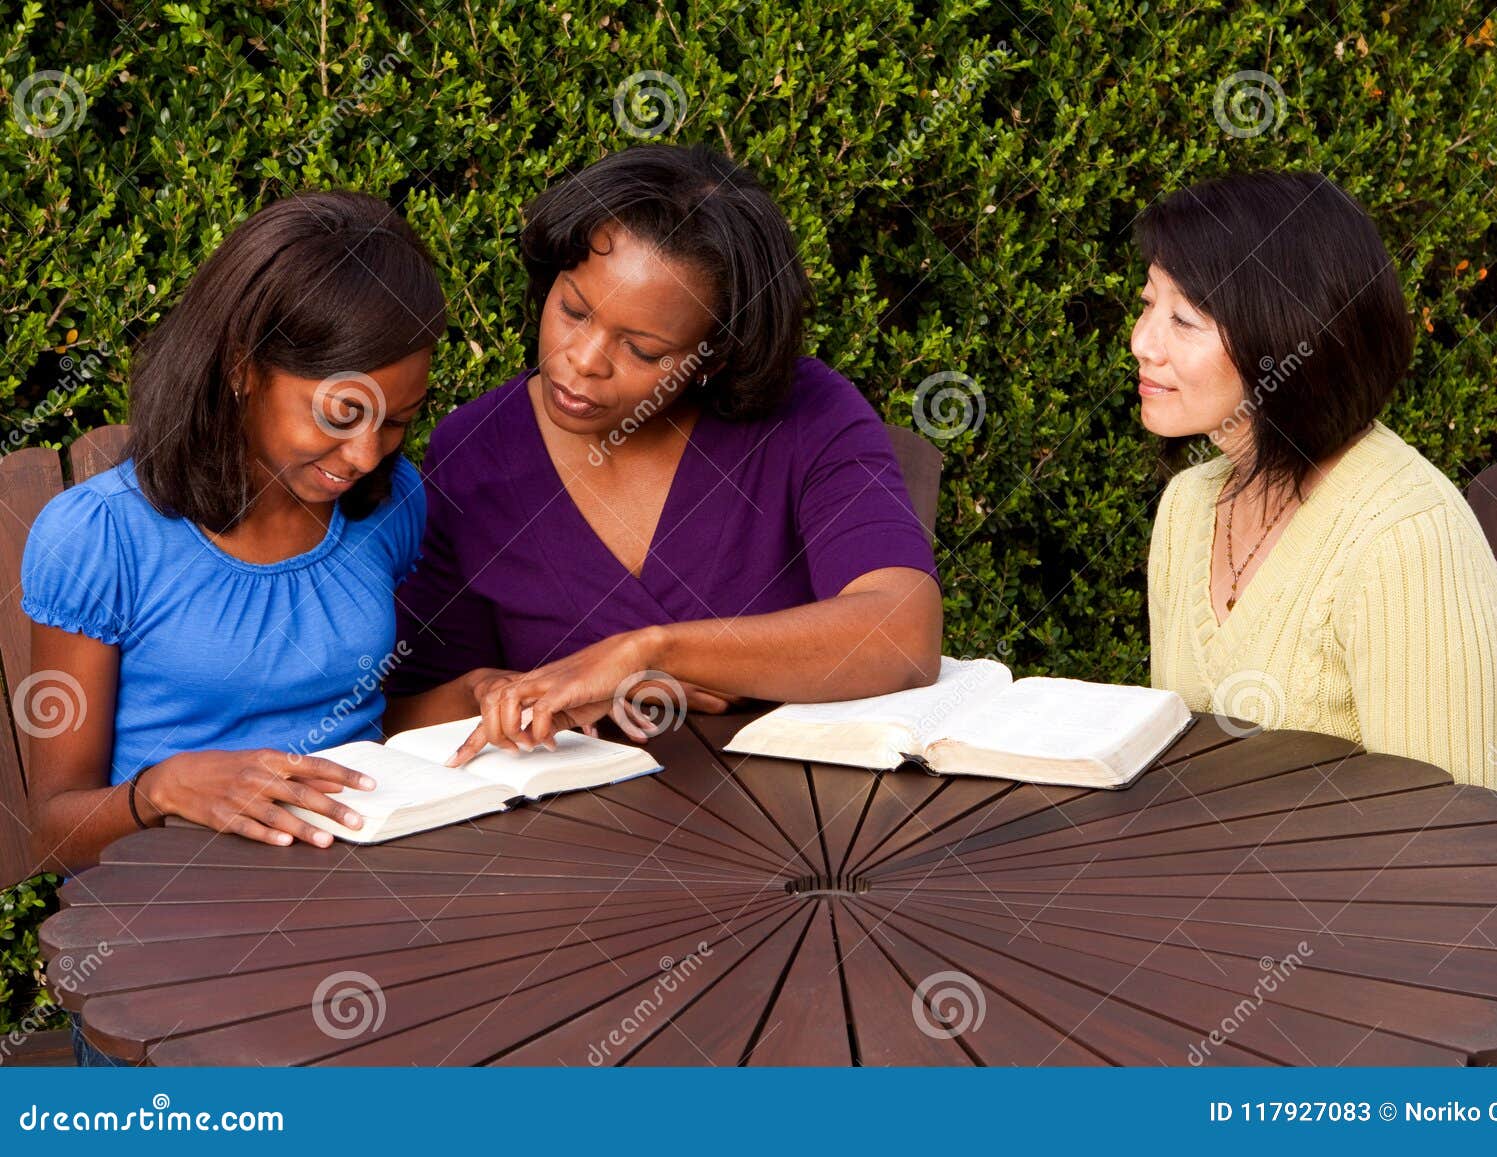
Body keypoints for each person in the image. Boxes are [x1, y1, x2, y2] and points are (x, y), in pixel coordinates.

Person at [1135, 171, 1497, 1065]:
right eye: (1148, 304)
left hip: (1478, 972)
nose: (1143, 341)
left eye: (1184, 319)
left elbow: (1441, 872)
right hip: (1274, 942)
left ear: (1285, 337)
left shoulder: (1403, 533)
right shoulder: (1188, 509)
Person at [18, 191, 444, 1063]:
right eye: (341, 414)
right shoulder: (102, 537)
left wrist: (476, 697)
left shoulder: (386, 506)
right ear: (245, 365)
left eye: (397, 421)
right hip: (167, 949)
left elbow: (354, 721)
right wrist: (164, 790)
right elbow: (54, 830)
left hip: (355, 919)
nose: (367, 454)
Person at [384, 144, 942, 760]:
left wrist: (650, 652)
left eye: (643, 350)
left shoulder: (808, 415)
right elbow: (403, 714)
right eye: (573, 310)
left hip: (799, 807)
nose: (583, 360)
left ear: (715, 356)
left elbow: (903, 633)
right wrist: (492, 694)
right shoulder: (475, 451)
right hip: (578, 817)